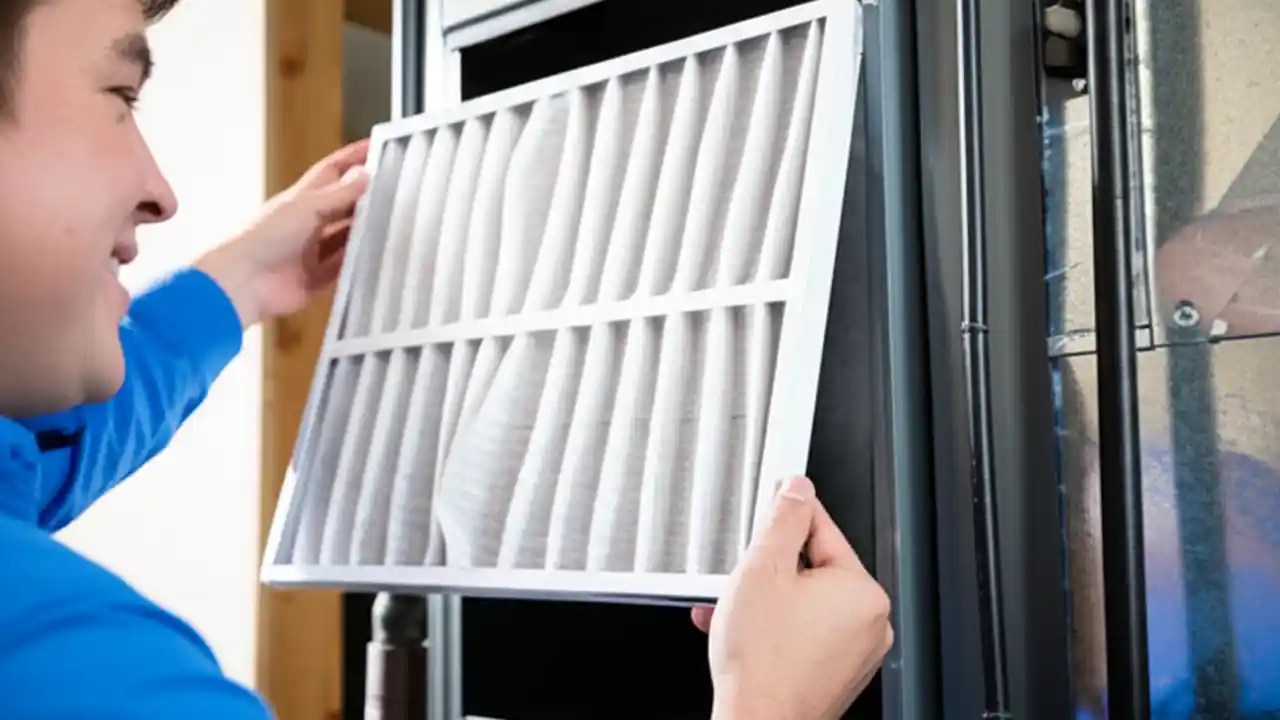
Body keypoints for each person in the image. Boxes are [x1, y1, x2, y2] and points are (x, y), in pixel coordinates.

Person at [0, 1, 893, 717]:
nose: (161, 190)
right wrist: (771, 704)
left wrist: (234, 285)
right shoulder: (72, 662)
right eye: (122, 97)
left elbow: (31, 459)